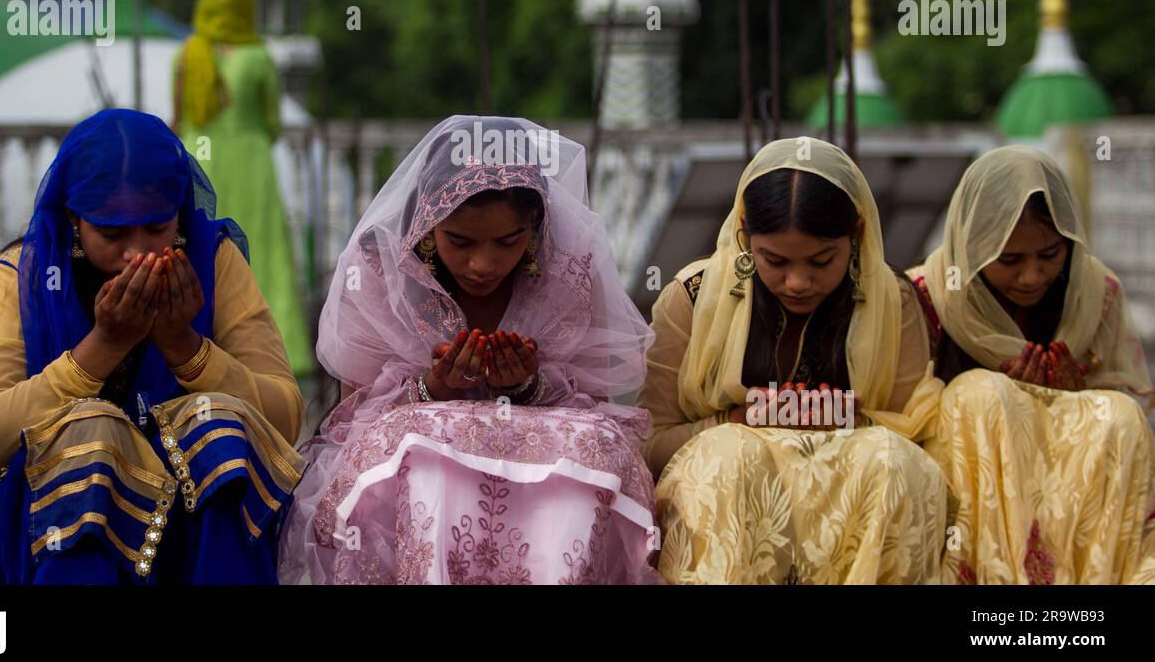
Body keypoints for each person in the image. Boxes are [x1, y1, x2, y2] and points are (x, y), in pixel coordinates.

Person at [280, 115, 661, 584]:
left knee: (601, 450)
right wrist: (429, 388)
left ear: (536, 229)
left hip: (538, 478)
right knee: (416, 450)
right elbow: (351, 418)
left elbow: (595, 407)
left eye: (508, 242)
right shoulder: (382, 268)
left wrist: (527, 386)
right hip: (421, 469)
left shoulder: (569, 274)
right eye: (458, 241)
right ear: (426, 225)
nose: (482, 264)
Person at [0, 109, 305, 584]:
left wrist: (185, 347)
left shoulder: (213, 259)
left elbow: (284, 417)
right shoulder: (21, 276)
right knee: (91, 431)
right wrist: (102, 347)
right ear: (74, 221)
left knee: (217, 423)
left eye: (157, 229)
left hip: (186, 529)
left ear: (179, 215)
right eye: (113, 234)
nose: (137, 253)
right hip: (40, 526)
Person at [640, 137, 946, 583]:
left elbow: (915, 434)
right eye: (775, 260)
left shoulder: (891, 299)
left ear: (857, 235)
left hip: (848, 495)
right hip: (736, 499)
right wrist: (736, 421)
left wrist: (844, 423)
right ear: (745, 232)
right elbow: (649, 441)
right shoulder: (692, 297)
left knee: (892, 459)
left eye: (822, 261)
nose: (798, 282)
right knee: (728, 454)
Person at [909, 145, 1155, 583]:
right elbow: (901, 410)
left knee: (1117, 413)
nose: (1032, 277)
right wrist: (1011, 402)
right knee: (982, 396)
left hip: (1072, 489)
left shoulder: (1094, 292)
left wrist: (1071, 398)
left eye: (1049, 255)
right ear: (972, 246)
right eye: (1009, 260)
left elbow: (1124, 407)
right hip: (968, 489)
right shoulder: (926, 296)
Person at [175, 0, 313, 377]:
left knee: (197, 245)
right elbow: (272, 123)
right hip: (252, 162)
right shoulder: (258, 57)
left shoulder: (188, 55)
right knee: (262, 251)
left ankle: (197, 343)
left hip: (199, 164)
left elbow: (178, 119)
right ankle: (276, 350)